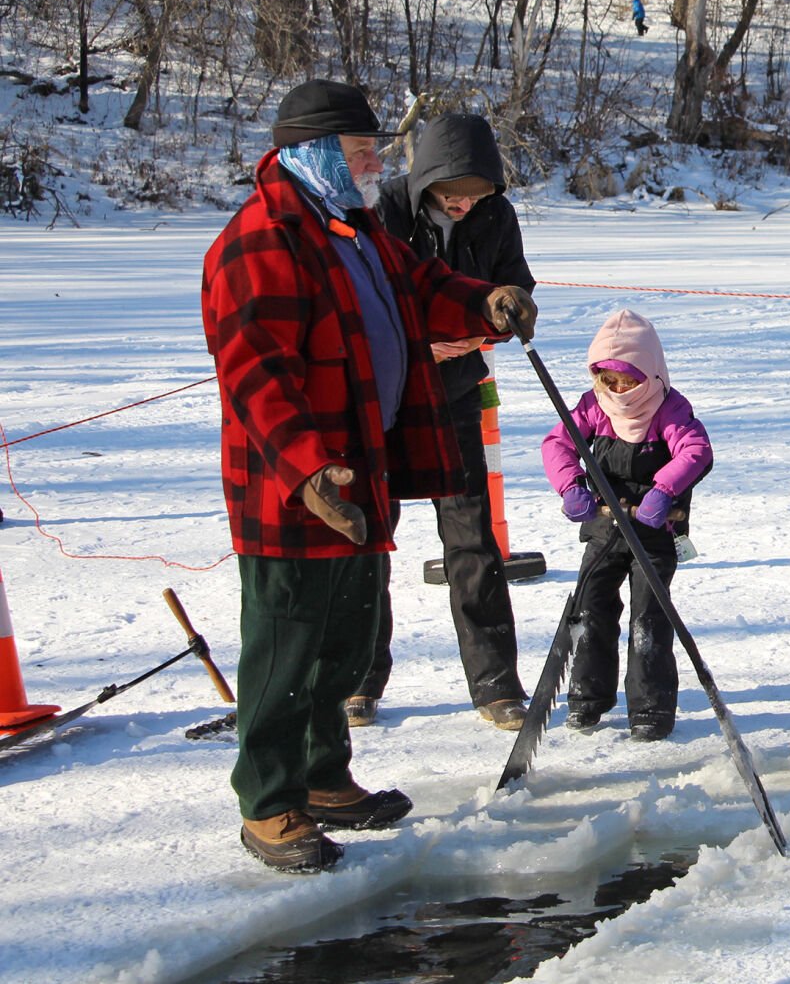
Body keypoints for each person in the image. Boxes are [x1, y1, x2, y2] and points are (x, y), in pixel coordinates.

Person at [201, 80, 537, 873]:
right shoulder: (260, 239)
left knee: (343, 641)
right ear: (311, 152)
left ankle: (322, 776)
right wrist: (307, 468)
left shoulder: (351, 227)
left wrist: (484, 300)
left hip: (360, 470)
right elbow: (255, 373)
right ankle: (269, 803)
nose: (373, 165)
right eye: (359, 152)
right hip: (294, 487)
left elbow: (420, 285)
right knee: (285, 648)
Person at [348, 114, 532, 732]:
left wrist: (496, 319)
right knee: (370, 537)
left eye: (476, 193)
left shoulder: (496, 217)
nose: (464, 203)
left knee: (473, 538)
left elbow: (515, 286)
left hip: (454, 394)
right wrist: (418, 344)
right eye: (454, 191)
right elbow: (366, 299)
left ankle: (496, 685)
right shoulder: (382, 210)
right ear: (426, 178)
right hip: (388, 396)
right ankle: (359, 678)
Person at [541, 309, 712, 741]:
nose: (618, 391)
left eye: (627, 381)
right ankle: (587, 697)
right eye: (609, 381)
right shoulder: (592, 406)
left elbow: (695, 451)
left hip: (654, 530)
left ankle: (651, 707)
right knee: (590, 607)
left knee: (648, 616)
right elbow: (557, 444)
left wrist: (663, 490)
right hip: (604, 529)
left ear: (650, 374)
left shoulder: (669, 408)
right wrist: (570, 486)